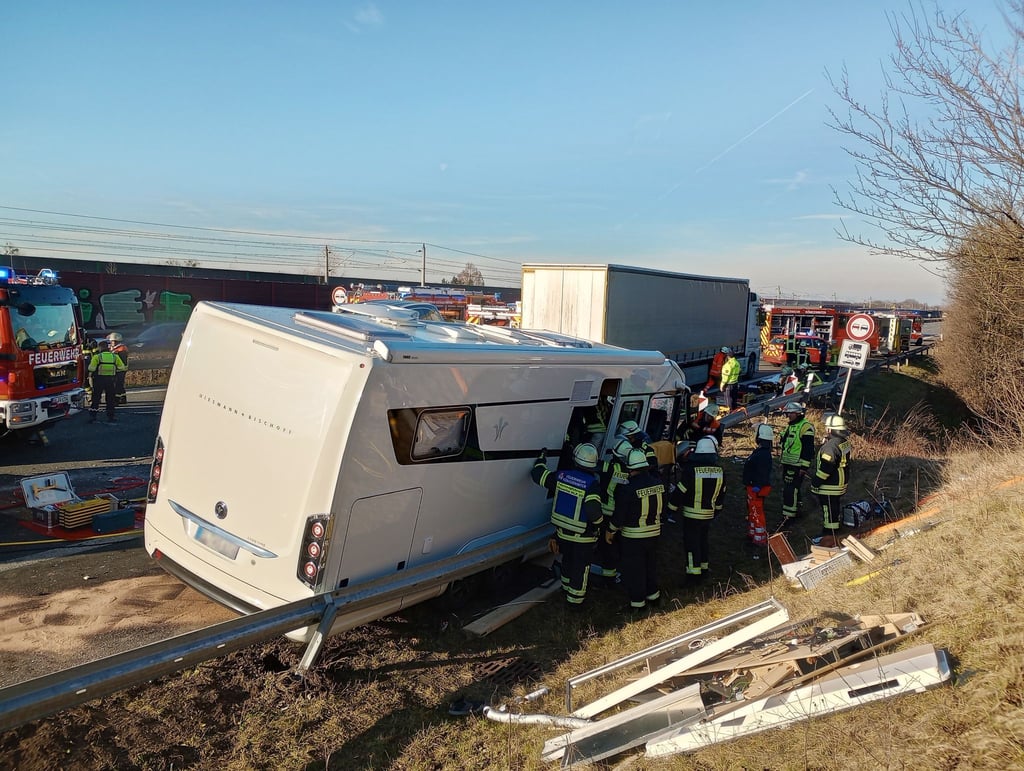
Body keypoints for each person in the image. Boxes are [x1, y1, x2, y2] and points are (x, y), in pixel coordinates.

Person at [531, 443, 603, 609]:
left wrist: (541, 459)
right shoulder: (592, 484)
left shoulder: (562, 476)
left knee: (567, 562)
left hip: (562, 534)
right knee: (580, 568)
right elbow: (593, 511)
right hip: (582, 538)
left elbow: (538, 475)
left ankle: (565, 588)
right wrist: (599, 524)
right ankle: (575, 603)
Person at [607, 448, 665, 613]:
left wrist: (610, 530)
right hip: (654, 533)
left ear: (630, 468)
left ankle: (638, 604)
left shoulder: (628, 488)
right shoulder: (658, 483)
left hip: (633, 536)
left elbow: (620, 514)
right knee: (650, 565)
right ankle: (653, 596)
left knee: (635, 569)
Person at [667, 437, 725, 582]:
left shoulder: (691, 471)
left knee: (691, 544)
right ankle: (704, 569)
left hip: (691, 514)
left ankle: (693, 576)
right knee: (703, 542)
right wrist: (717, 510)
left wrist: (670, 509)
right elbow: (722, 492)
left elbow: (680, 491)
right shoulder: (720, 471)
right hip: (708, 514)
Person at [591, 437, 633, 581]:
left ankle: (608, 577)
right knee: (616, 543)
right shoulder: (630, 472)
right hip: (621, 514)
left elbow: (590, 465)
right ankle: (615, 572)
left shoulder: (608, 466)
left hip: (606, 511)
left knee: (607, 544)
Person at [811, 414, 853, 545]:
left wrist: (816, 481)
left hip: (830, 485)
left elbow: (826, 467)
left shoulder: (831, 446)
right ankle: (835, 529)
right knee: (834, 507)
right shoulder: (844, 442)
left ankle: (829, 534)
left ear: (830, 430)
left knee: (828, 510)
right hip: (841, 482)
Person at [779, 401, 815, 521]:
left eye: (790, 413)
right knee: (792, 489)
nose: (788, 416)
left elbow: (808, 449)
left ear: (798, 413)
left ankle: (788, 517)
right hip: (788, 464)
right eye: (787, 414)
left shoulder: (805, 427)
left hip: (797, 465)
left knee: (790, 490)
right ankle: (796, 509)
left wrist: (804, 467)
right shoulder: (791, 426)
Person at [743, 423, 775, 548]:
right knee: (753, 511)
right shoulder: (762, 452)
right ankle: (753, 534)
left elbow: (762, 473)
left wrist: (758, 486)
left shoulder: (762, 454)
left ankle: (759, 539)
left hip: (756, 488)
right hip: (753, 487)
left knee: (757, 513)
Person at [88, 339, 127, 423]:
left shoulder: (97, 357)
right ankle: (111, 416)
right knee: (110, 399)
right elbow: (122, 367)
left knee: (96, 399)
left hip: (99, 380)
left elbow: (91, 368)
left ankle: (93, 416)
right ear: (108, 348)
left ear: (100, 348)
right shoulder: (114, 357)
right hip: (111, 380)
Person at [107, 332, 130, 405]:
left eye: (112, 341)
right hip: (119, 369)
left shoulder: (121, 349)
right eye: (111, 341)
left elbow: (120, 360)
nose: (111, 342)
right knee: (120, 385)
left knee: (117, 385)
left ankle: (116, 400)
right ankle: (123, 399)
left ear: (117, 341)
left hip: (120, 370)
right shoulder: (116, 348)